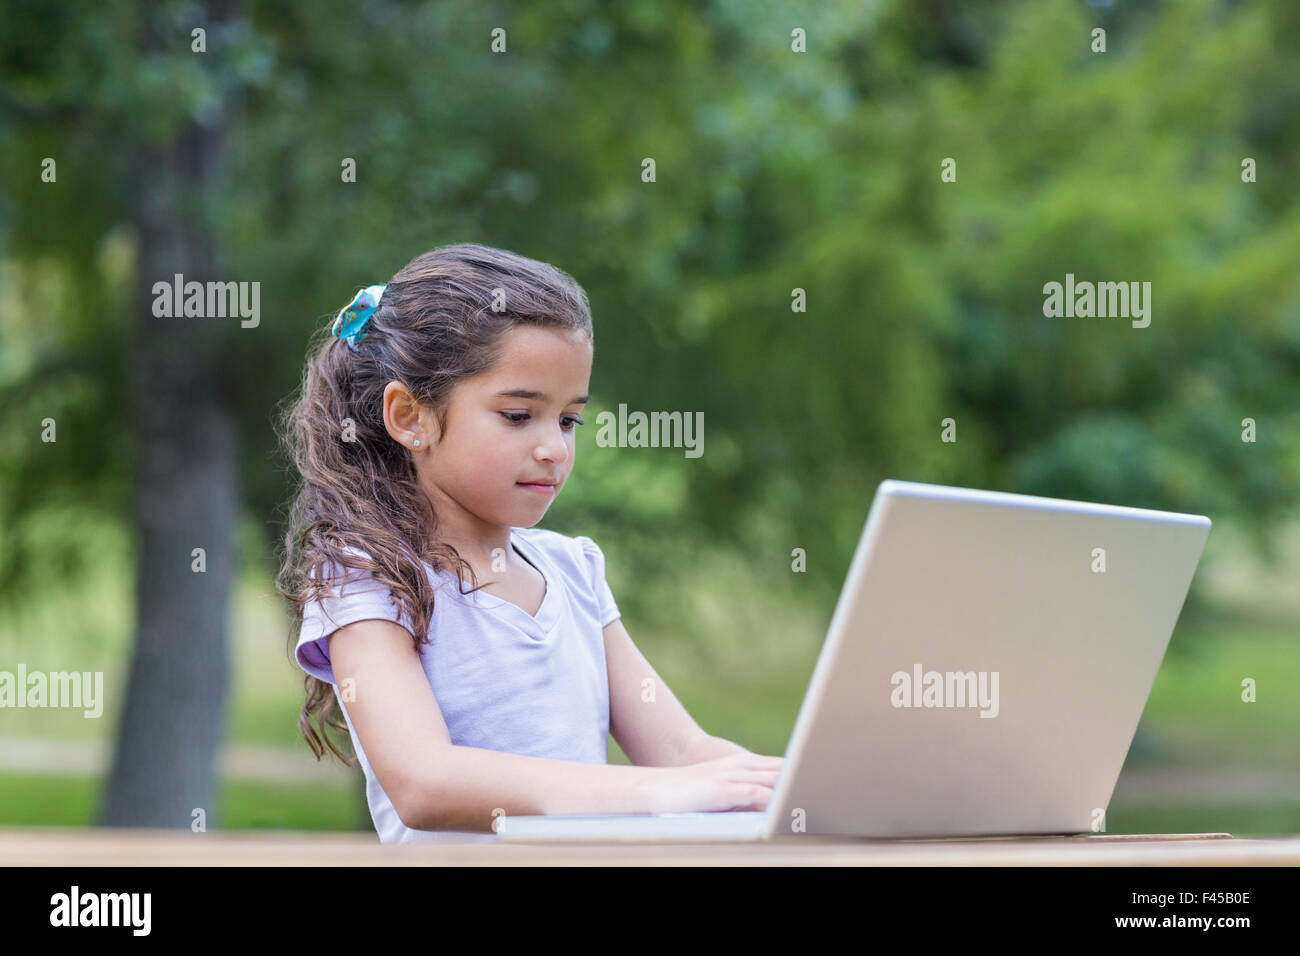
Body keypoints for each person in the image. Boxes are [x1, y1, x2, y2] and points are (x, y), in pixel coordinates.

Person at [274, 243, 783, 843]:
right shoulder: (367, 576)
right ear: (410, 416)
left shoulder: (574, 569)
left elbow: (683, 751)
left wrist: (790, 786)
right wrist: (656, 794)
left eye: (569, 420)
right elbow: (423, 781)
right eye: (519, 416)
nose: (555, 449)